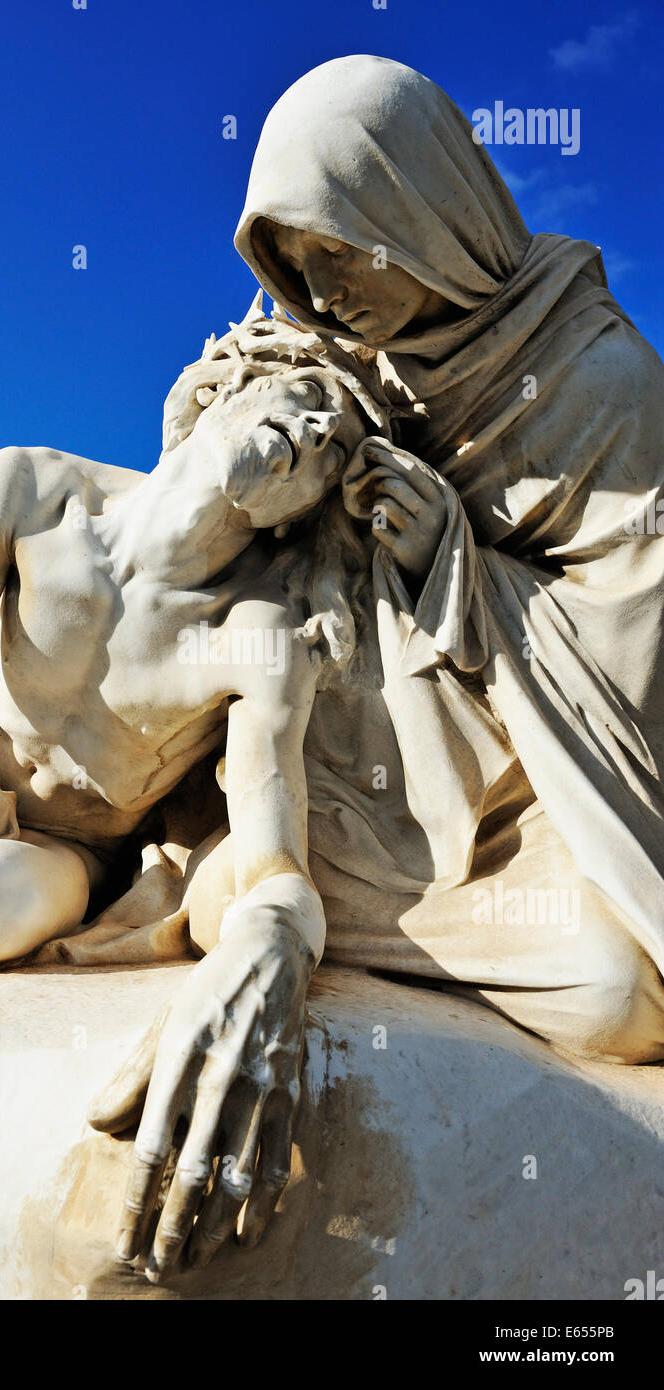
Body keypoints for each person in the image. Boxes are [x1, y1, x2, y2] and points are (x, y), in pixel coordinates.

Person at [0, 303, 390, 1279]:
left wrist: (274, 938)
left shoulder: (255, 638)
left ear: (305, 511)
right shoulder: (29, 490)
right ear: (226, 386)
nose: (319, 432)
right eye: (309, 398)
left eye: (335, 452)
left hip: (65, 853)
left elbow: (269, 848)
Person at [231, 54, 664, 1067]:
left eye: (339, 251)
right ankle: (259, 876)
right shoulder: (337, 366)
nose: (322, 295)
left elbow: (640, 658)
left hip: (543, 778)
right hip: (343, 751)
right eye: (298, 265)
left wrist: (454, 568)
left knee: (619, 997)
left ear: (420, 214)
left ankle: (263, 894)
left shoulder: (603, 386)